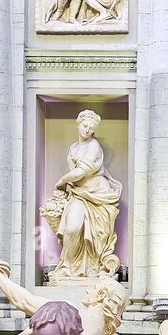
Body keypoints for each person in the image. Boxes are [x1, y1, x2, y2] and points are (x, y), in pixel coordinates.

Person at [40, 109, 123, 282]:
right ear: (78, 124)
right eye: (85, 126)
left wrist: (61, 181)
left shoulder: (94, 146)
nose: (87, 130)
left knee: (96, 235)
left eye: (91, 128)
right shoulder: (73, 147)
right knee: (71, 228)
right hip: (78, 193)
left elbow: (81, 172)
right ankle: (67, 267)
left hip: (98, 195)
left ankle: (94, 268)